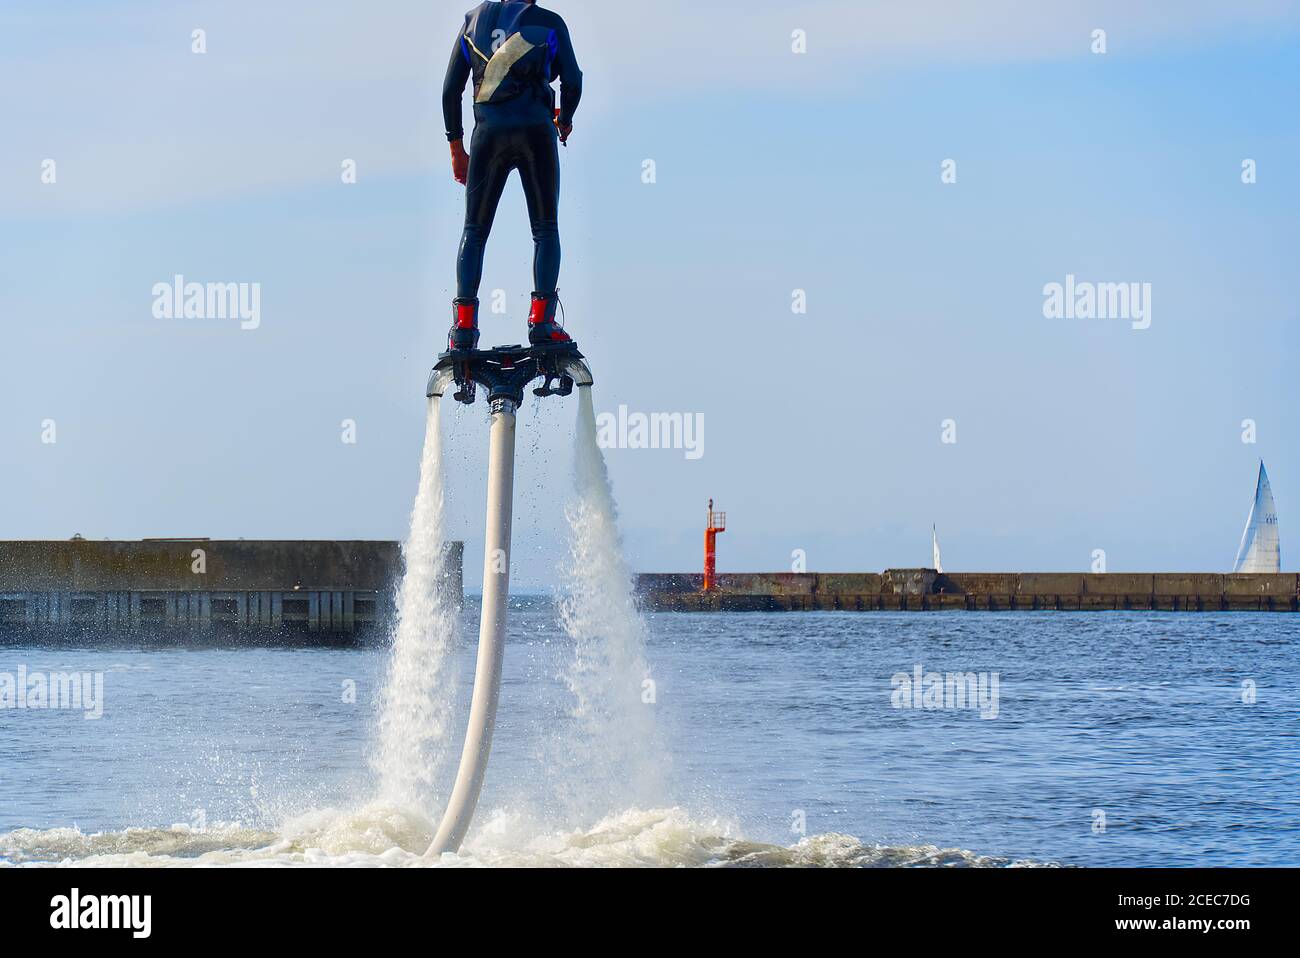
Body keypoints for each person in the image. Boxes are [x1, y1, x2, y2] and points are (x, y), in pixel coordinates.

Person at [442, 0, 582, 352]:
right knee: (545, 229)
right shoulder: (550, 23)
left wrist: (456, 148)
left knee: (474, 231)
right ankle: (542, 322)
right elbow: (573, 80)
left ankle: (464, 328)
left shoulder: (472, 22)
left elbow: (450, 90)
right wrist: (564, 121)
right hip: (536, 131)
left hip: (488, 134)